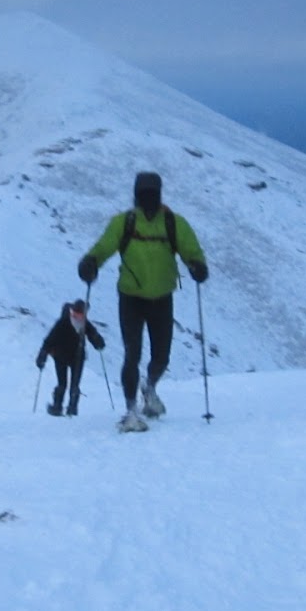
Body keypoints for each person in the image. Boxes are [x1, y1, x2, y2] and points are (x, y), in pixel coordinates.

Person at [77, 172, 208, 432]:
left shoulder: (172, 223)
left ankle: (149, 388)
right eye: (144, 194)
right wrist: (91, 261)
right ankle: (131, 411)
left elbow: (191, 249)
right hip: (131, 299)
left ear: (158, 195)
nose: (148, 199)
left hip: (161, 299)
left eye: (152, 194)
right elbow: (104, 247)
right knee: (132, 354)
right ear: (137, 196)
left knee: (161, 357)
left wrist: (197, 264)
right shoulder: (125, 223)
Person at [35, 299, 107, 416]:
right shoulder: (63, 322)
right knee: (62, 383)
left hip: (77, 357)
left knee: (74, 384)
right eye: (75, 313)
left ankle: (72, 408)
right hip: (61, 356)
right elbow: (50, 339)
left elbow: (92, 334)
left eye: (80, 314)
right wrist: (43, 354)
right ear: (72, 311)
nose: (78, 316)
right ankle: (58, 407)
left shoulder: (84, 323)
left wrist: (98, 341)